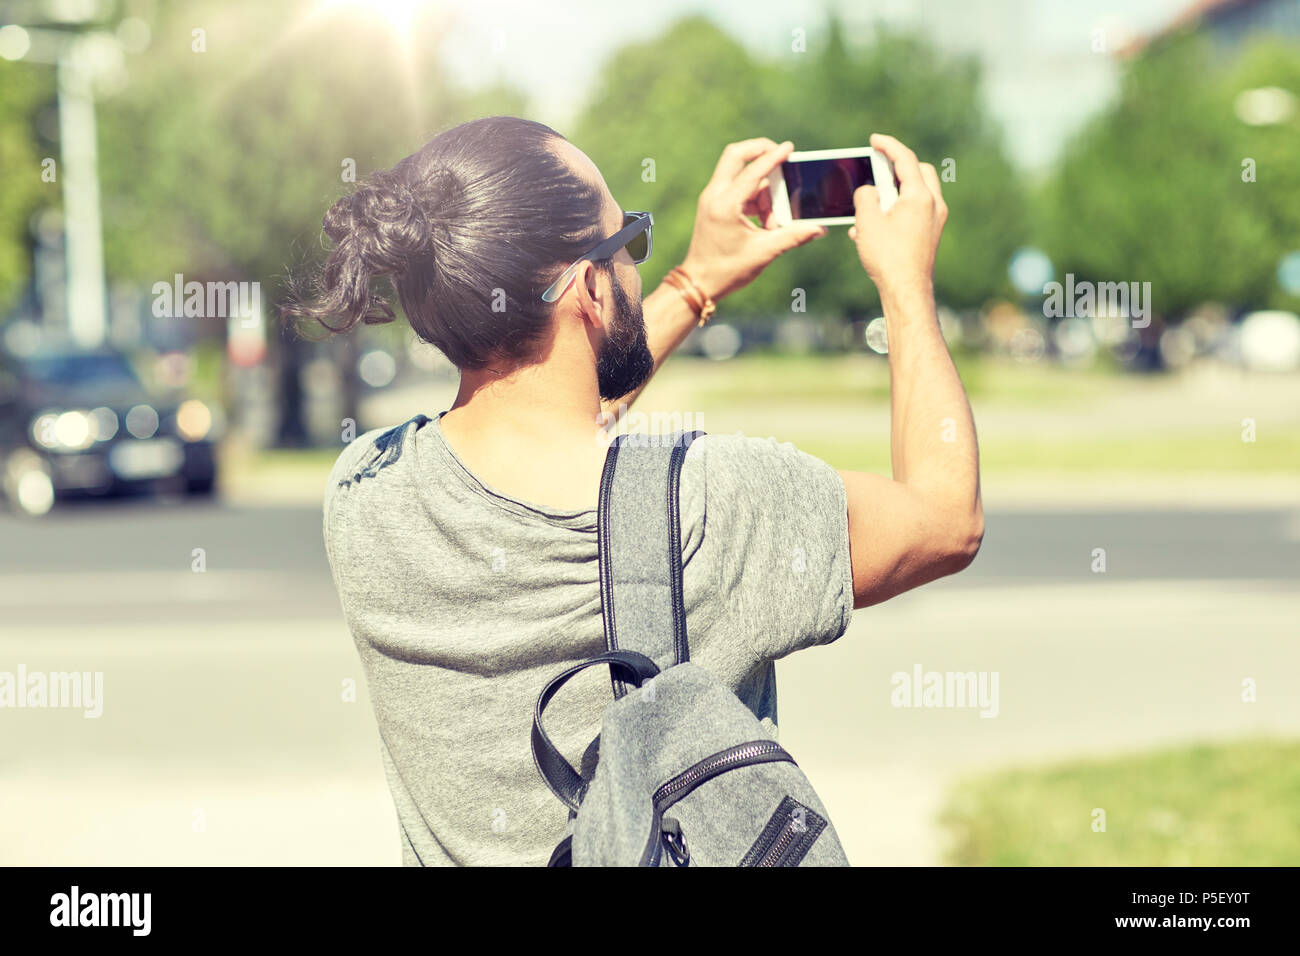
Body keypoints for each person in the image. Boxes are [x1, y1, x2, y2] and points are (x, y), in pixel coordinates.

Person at [285, 115, 982, 866]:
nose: (638, 266)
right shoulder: (712, 506)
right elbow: (945, 519)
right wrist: (906, 286)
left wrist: (700, 278)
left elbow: (547, 415)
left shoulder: (363, 492)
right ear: (589, 285)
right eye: (631, 244)